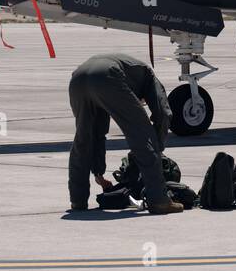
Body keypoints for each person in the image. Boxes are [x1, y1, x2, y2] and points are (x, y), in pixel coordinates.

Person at [67, 53, 182, 214]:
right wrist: (157, 148)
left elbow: (97, 137)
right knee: (143, 136)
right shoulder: (148, 76)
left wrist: (98, 173)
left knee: (84, 139)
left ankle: (78, 200)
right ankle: (159, 201)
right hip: (108, 76)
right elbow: (163, 113)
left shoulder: (131, 72)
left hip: (78, 79)